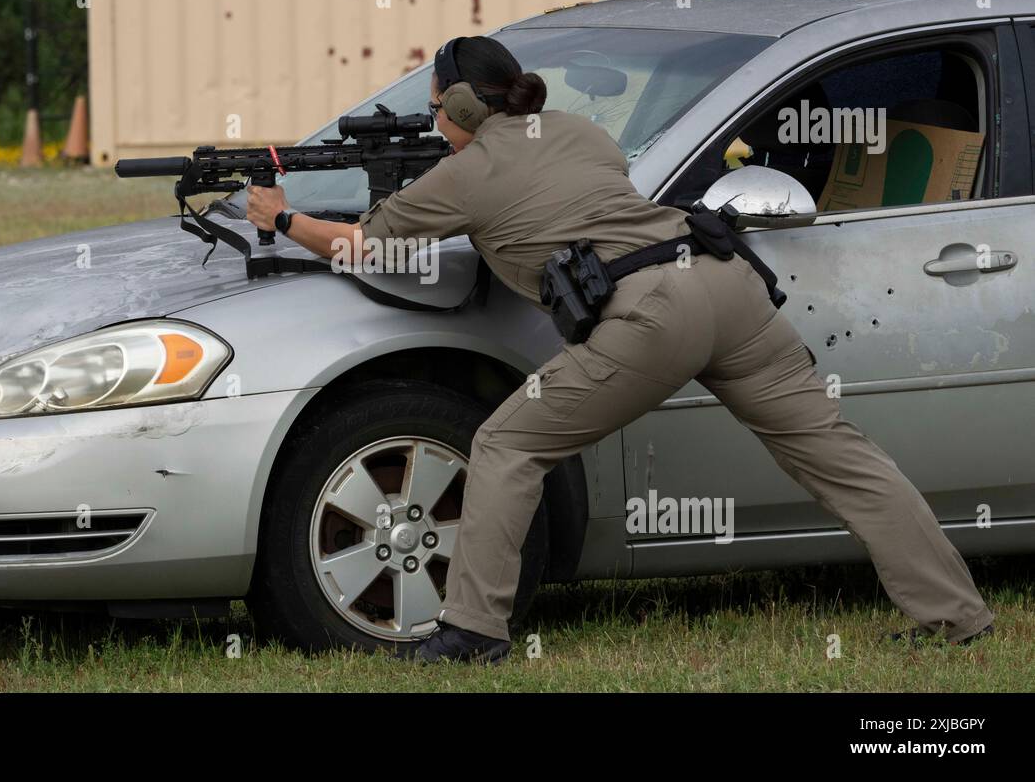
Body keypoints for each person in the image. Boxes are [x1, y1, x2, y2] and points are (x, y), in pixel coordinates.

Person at [245, 35, 995, 664]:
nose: (435, 121)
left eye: (438, 108)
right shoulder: (581, 132)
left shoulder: (461, 176)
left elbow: (360, 246)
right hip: (725, 283)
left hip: (650, 316)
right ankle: (955, 613)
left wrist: (281, 219)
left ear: (467, 106)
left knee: (506, 443)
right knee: (838, 454)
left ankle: (472, 629)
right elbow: (560, 202)